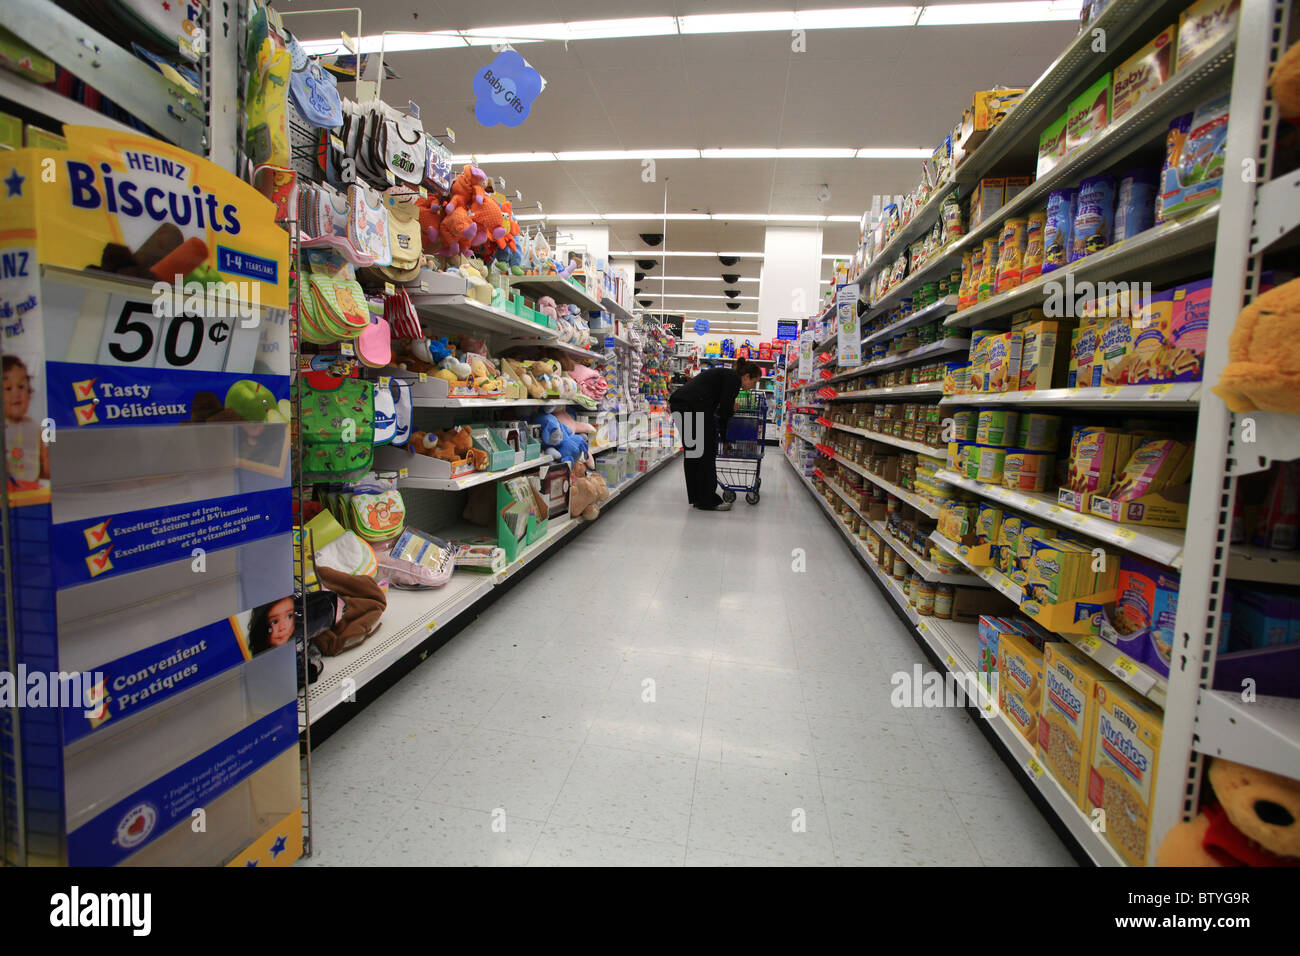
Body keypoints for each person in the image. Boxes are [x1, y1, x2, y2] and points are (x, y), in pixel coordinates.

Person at [668, 359, 761, 511]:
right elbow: (725, 412)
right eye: (754, 382)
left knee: (694, 454)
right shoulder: (734, 380)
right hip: (692, 408)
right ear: (746, 376)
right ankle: (708, 501)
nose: (752, 388)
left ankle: (698, 498)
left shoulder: (727, 375)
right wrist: (726, 438)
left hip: (682, 405)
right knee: (705, 454)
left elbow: (719, 405)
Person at [3, 355, 49, 490]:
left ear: (29, 392)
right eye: (8, 388)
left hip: (31, 492)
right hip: (7, 495)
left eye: (21, 386)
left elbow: (45, 470)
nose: (16, 394)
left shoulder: (34, 427)